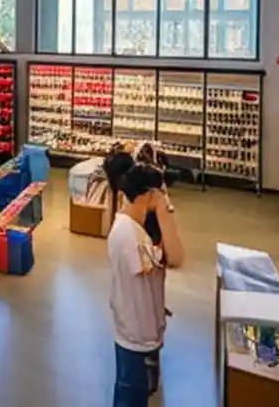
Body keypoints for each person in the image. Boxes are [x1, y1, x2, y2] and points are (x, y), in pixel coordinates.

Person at [109, 163, 185, 407]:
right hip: (134, 334)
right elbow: (176, 257)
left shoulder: (135, 226)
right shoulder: (129, 234)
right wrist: (164, 213)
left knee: (135, 394)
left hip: (139, 330)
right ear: (149, 194)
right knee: (129, 396)